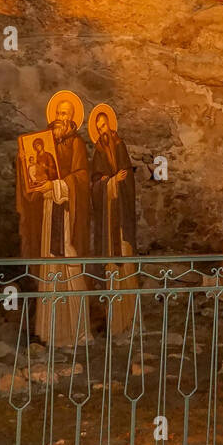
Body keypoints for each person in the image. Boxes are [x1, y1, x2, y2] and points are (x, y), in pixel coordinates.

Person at [15, 92, 93, 348]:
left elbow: (82, 179)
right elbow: (33, 178)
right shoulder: (45, 142)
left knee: (68, 262)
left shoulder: (77, 145)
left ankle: (74, 330)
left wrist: (58, 184)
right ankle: (49, 331)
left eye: (66, 115)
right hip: (48, 212)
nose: (60, 119)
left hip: (66, 212)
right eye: (58, 113)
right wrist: (25, 163)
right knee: (49, 263)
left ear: (73, 120)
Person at [88, 104, 137, 335]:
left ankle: (129, 318)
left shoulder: (120, 146)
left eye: (104, 125)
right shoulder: (98, 152)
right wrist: (109, 183)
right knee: (110, 261)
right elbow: (95, 182)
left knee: (125, 258)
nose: (102, 131)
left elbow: (128, 178)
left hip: (120, 217)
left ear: (111, 125)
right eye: (98, 128)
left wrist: (119, 182)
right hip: (108, 221)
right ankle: (114, 319)